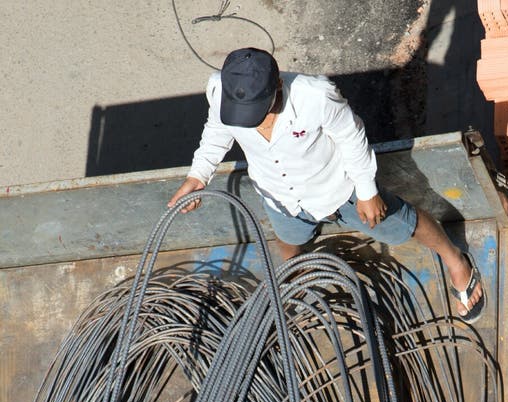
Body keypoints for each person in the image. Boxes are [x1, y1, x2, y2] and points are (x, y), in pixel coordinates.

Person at [168, 47, 485, 322]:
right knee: (289, 241)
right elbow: (217, 133)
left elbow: (352, 136)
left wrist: (366, 191)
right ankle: (300, 277)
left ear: (277, 86)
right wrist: (198, 176)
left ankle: (455, 260)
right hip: (278, 197)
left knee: (403, 224)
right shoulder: (218, 89)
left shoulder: (315, 95)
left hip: (338, 190)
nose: (255, 122)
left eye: (258, 112)